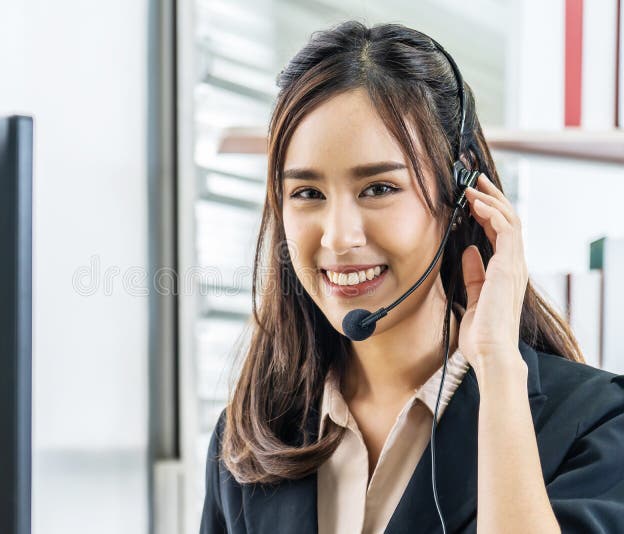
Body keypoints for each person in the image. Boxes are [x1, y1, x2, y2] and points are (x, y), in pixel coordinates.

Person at [199, 20, 624, 534]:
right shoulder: (248, 443)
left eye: (378, 188)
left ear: (463, 194)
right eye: (307, 193)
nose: (337, 238)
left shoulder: (595, 424)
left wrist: (499, 369)